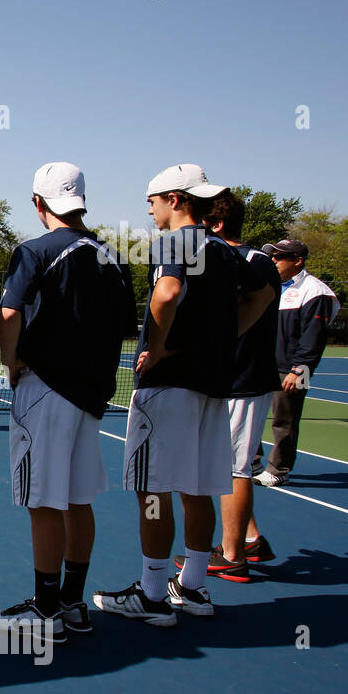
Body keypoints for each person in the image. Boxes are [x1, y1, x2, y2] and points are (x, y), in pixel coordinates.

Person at [93, 165, 271, 625]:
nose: (149, 211)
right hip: (213, 387)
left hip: (168, 386)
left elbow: (166, 294)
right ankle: (191, 587)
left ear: (174, 199)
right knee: (198, 489)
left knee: (152, 490)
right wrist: (225, 336)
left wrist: (161, 345)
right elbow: (263, 295)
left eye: (151, 202)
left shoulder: (177, 242)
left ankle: (152, 594)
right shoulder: (227, 252)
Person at [0, 162, 132, 643]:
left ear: (38, 203)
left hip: (44, 389)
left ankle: (46, 610)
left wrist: (11, 363)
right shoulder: (113, 255)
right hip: (90, 395)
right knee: (77, 498)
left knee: (43, 502)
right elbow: (123, 327)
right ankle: (71, 602)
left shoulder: (34, 250)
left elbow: (9, 312)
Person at [171, 192, 279, 580]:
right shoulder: (237, 260)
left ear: (215, 225)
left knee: (235, 468)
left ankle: (232, 555)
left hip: (242, 378)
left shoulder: (245, 261)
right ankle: (250, 538)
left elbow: (255, 305)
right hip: (230, 378)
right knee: (232, 464)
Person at [254, 239, 341, 488]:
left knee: (285, 419)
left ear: (297, 260)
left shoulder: (316, 291)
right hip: (263, 364)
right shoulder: (270, 287)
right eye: (272, 256)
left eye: (279, 257)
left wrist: (299, 369)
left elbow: (313, 337)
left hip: (292, 368)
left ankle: (279, 468)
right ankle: (253, 461)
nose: (273, 260)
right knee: (254, 416)